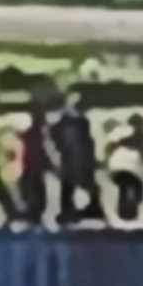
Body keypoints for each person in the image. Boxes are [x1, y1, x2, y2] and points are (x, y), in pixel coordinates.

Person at [50, 91, 100, 225]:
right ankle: (70, 212)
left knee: (76, 186)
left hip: (78, 158)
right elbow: (58, 141)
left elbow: (87, 141)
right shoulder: (68, 122)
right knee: (71, 186)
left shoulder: (80, 122)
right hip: (73, 158)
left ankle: (84, 210)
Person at [106, 113, 143, 222]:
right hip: (125, 168)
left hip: (117, 168)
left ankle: (126, 211)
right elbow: (141, 150)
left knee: (127, 188)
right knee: (135, 187)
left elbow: (112, 147)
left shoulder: (125, 135)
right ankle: (128, 211)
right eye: (142, 124)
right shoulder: (139, 135)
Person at [14, 103, 53, 227]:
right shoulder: (33, 133)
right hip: (30, 168)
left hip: (32, 168)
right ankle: (33, 215)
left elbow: (42, 150)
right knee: (32, 192)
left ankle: (33, 215)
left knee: (33, 192)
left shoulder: (35, 134)